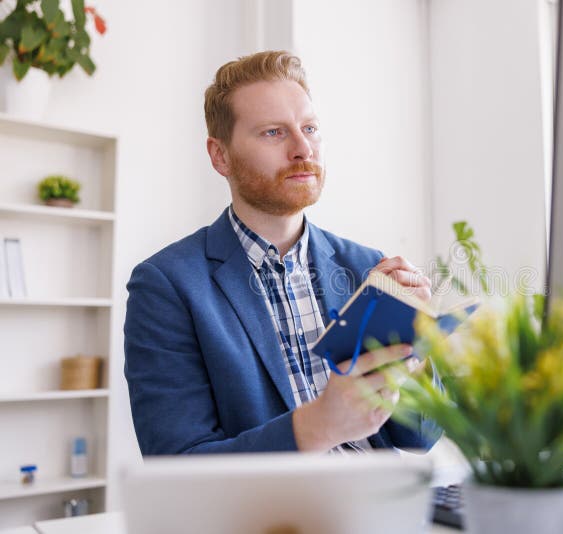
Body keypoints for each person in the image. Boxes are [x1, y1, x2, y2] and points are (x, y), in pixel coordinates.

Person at [124, 50, 442, 455]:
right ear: (220, 156)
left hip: (379, 502)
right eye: (274, 132)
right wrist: (317, 426)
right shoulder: (167, 286)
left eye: (309, 128)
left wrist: (412, 348)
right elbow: (178, 464)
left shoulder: (366, 267)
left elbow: (422, 438)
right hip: (271, 514)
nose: (302, 149)